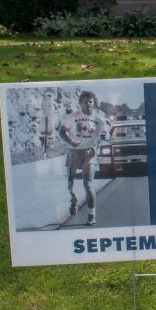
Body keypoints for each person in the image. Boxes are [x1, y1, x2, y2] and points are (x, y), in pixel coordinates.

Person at [60, 91, 109, 226]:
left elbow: (104, 132)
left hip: (89, 152)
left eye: (91, 101)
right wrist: (70, 141)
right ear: (80, 103)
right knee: (70, 184)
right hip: (74, 152)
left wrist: (104, 136)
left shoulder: (99, 119)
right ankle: (73, 199)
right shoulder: (72, 117)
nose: (89, 104)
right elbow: (61, 131)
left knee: (88, 184)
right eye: (86, 102)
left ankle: (91, 215)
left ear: (94, 102)